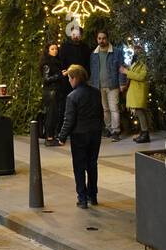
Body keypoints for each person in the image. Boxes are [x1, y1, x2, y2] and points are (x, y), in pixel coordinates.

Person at [58, 64, 104, 208]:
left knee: (79, 166)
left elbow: (69, 119)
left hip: (79, 135)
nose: (69, 82)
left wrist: (62, 136)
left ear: (75, 78)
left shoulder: (72, 97)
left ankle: (82, 198)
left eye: (70, 79)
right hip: (95, 133)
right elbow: (100, 113)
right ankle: (93, 196)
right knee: (92, 164)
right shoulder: (96, 92)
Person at [88, 30, 123, 141]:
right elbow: (92, 70)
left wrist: (122, 82)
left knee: (114, 109)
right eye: (99, 38)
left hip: (113, 85)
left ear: (107, 39)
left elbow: (121, 68)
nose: (101, 40)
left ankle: (116, 131)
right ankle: (108, 129)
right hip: (99, 86)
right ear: (97, 39)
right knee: (105, 109)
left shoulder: (116, 52)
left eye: (103, 38)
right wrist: (92, 85)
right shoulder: (94, 54)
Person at [40, 43, 69, 146]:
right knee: (51, 115)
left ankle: (51, 135)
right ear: (48, 51)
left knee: (54, 114)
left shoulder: (56, 62)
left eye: (56, 49)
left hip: (55, 91)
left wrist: (61, 73)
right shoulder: (47, 64)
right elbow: (47, 79)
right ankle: (49, 137)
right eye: (52, 49)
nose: (55, 51)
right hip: (50, 92)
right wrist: (61, 75)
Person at [123, 45, 151, 143]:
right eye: (135, 49)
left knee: (140, 111)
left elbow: (142, 76)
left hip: (140, 89)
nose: (136, 50)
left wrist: (127, 72)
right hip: (135, 90)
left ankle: (145, 133)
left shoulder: (144, 62)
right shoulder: (135, 60)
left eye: (138, 48)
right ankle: (143, 133)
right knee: (139, 112)